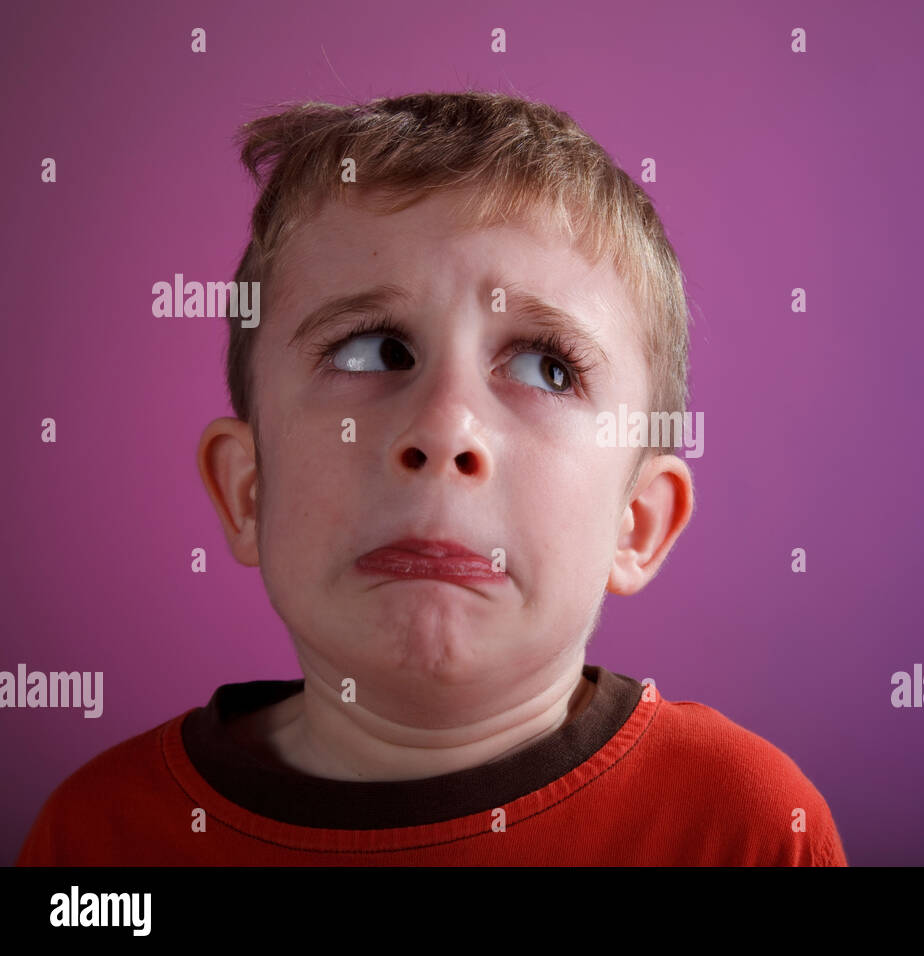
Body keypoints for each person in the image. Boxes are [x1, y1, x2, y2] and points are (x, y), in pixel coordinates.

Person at [16, 91, 847, 865]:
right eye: (373, 350)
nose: (445, 430)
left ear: (635, 523)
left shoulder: (741, 828)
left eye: (547, 368)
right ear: (248, 492)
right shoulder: (101, 837)